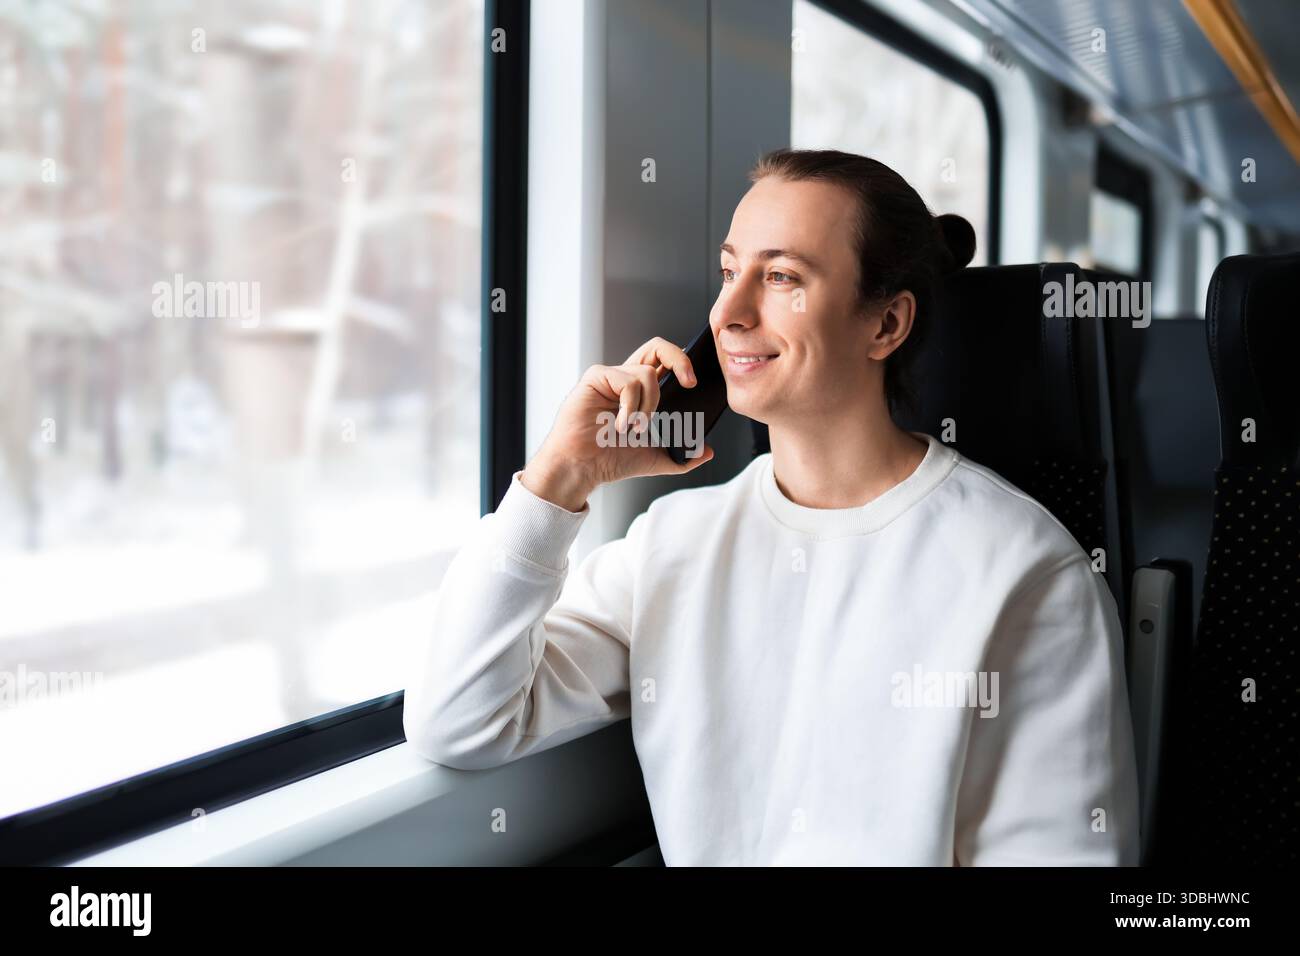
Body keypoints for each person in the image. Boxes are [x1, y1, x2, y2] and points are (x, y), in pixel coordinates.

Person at [403, 147, 1140, 866]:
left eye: (782, 276)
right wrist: (558, 478)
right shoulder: (674, 542)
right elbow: (461, 721)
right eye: (729, 271)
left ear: (885, 325)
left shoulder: (1024, 570)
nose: (728, 311)